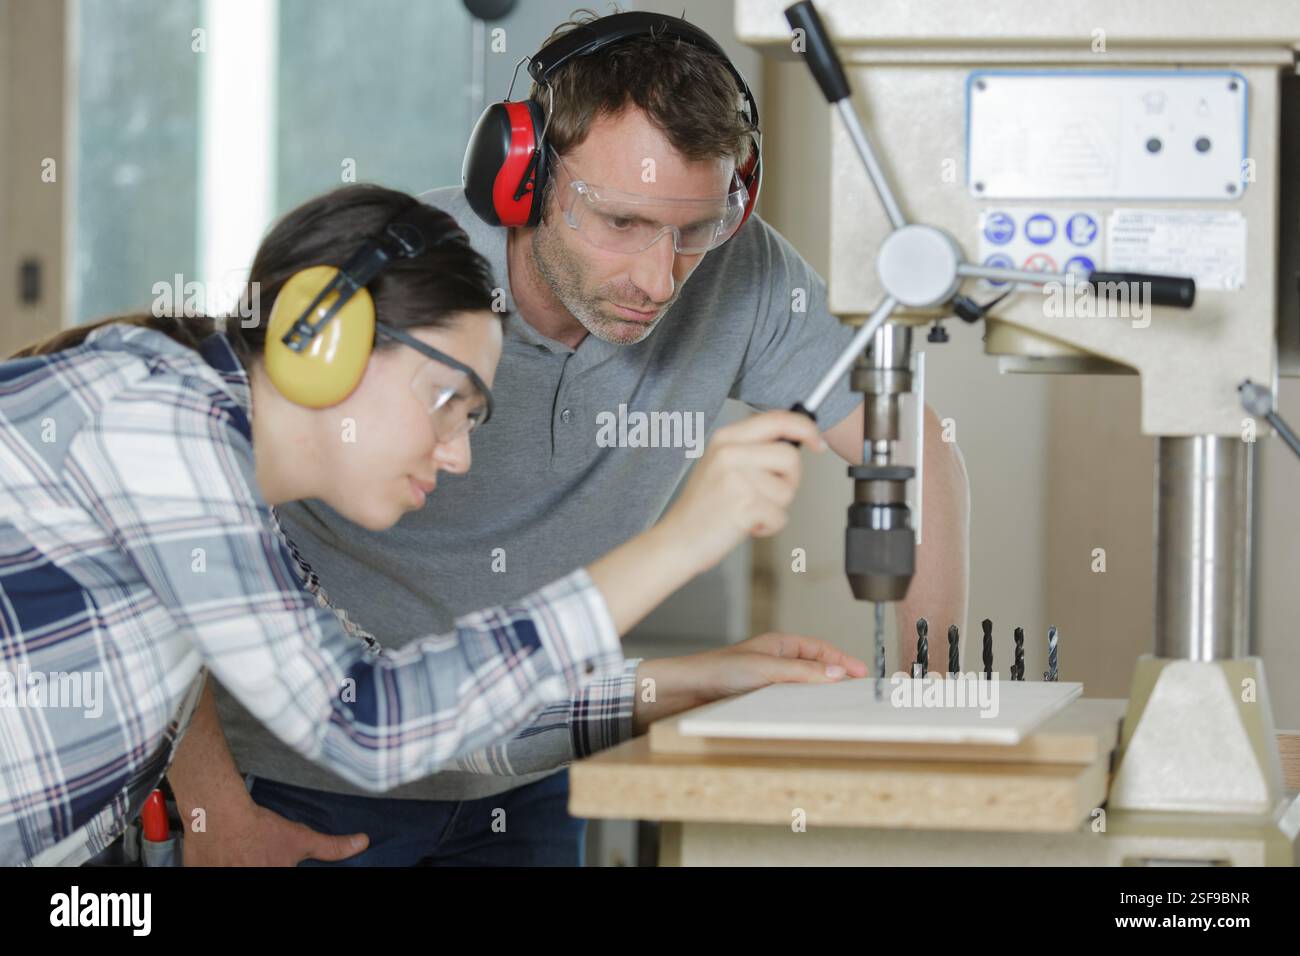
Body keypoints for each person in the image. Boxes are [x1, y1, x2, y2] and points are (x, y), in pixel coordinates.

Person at [181, 10, 970, 867]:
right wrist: (211, 807)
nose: (658, 277)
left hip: (531, 764)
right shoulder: (403, 284)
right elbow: (177, 549)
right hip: (302, 778)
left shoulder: (741, 275)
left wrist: (925, 709)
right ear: (524, 177)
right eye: (622, 222)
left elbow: (913, 446)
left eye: (694, 230)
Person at [0, 183, 865, 866]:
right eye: (447, 402)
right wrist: (678, 543)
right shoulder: (155, 422)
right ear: (321, 336)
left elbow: (428, 711)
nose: (457, 457)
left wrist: (687, 683)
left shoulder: (226, 493)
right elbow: (369, 726)